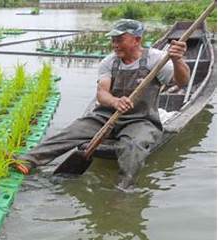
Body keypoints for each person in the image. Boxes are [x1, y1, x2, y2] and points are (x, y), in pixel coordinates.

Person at [13, 19, 190, 189]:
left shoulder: (156, 59)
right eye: (113, 40)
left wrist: (177, 60)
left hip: (141, 119)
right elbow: (102, 93)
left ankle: (124, 188)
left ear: (137, 40)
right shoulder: (109, 61)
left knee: (132, 146)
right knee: (72, 131)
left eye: (119, 40)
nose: (114, 44)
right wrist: (115, 101)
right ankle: (28, 160)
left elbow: (182, 82)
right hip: (106, 115)